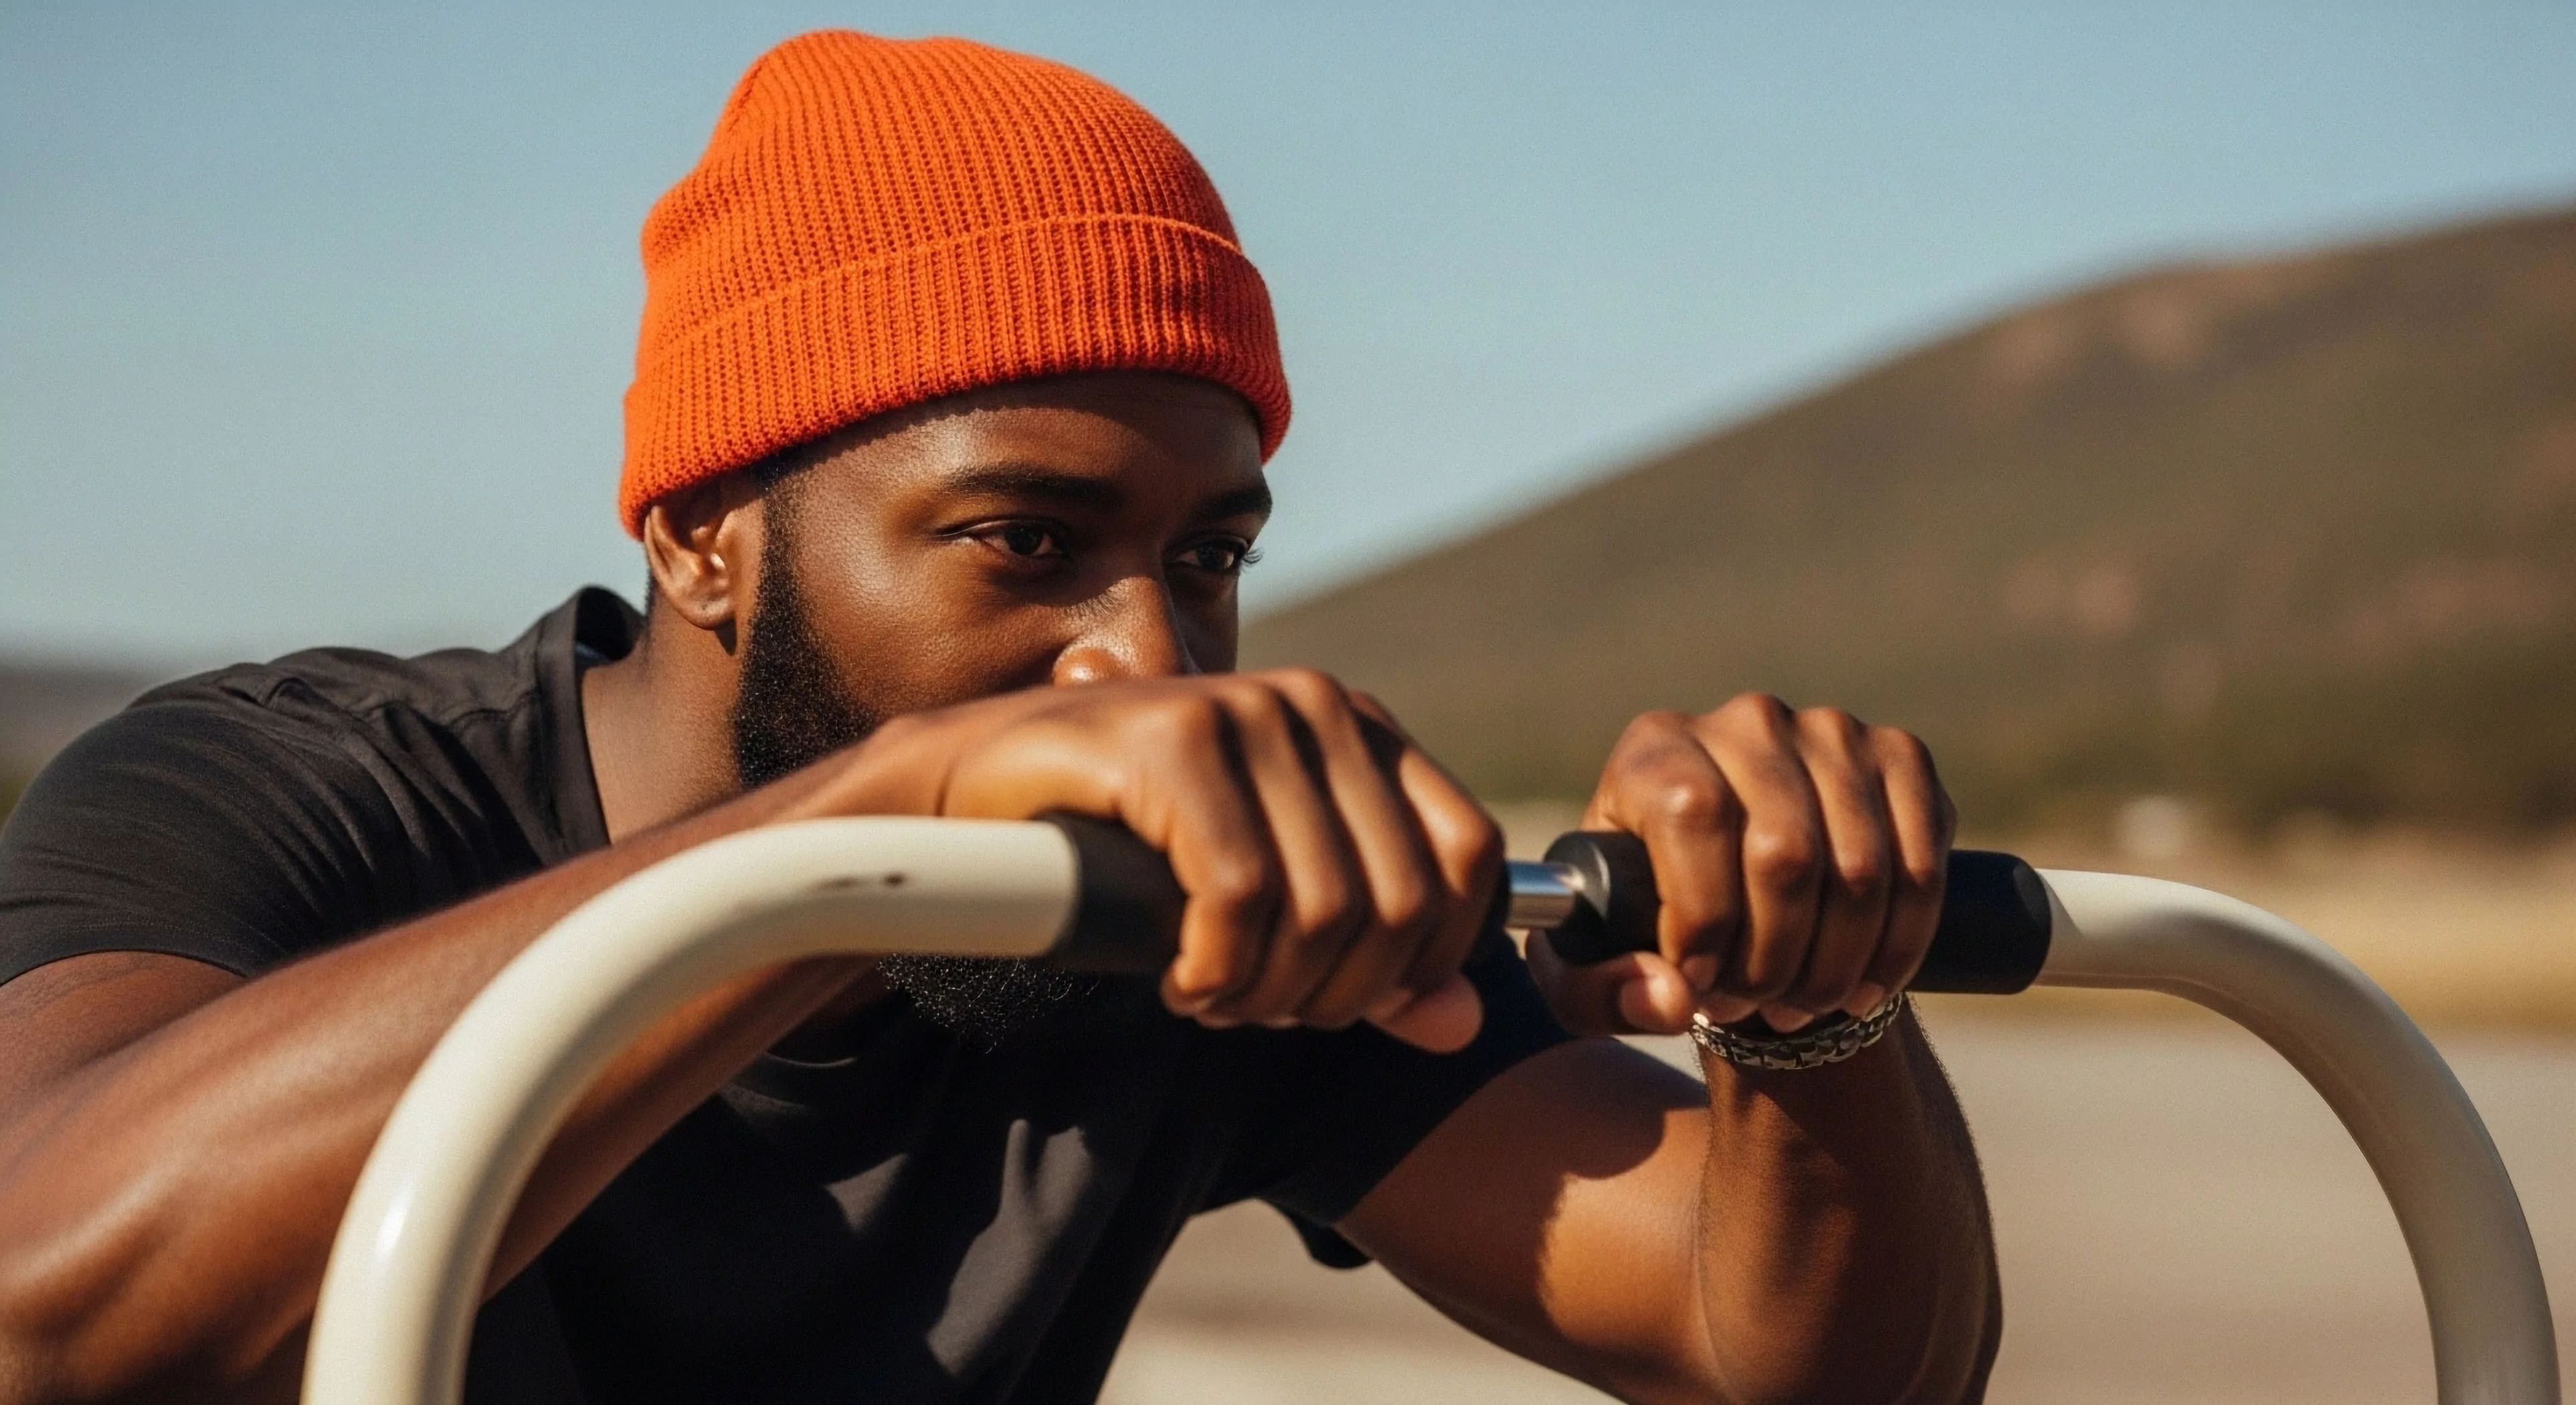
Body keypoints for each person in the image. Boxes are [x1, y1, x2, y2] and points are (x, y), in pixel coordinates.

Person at [0, 31, 1997, 1405]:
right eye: (1023, 540)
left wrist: (1813, 1008)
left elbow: (1794, 1356)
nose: (1145, 661)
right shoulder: (280, 798)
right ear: (708, 539)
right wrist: (861, 841)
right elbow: (45, 1308)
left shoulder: (1187, 909)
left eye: (1208, 558)